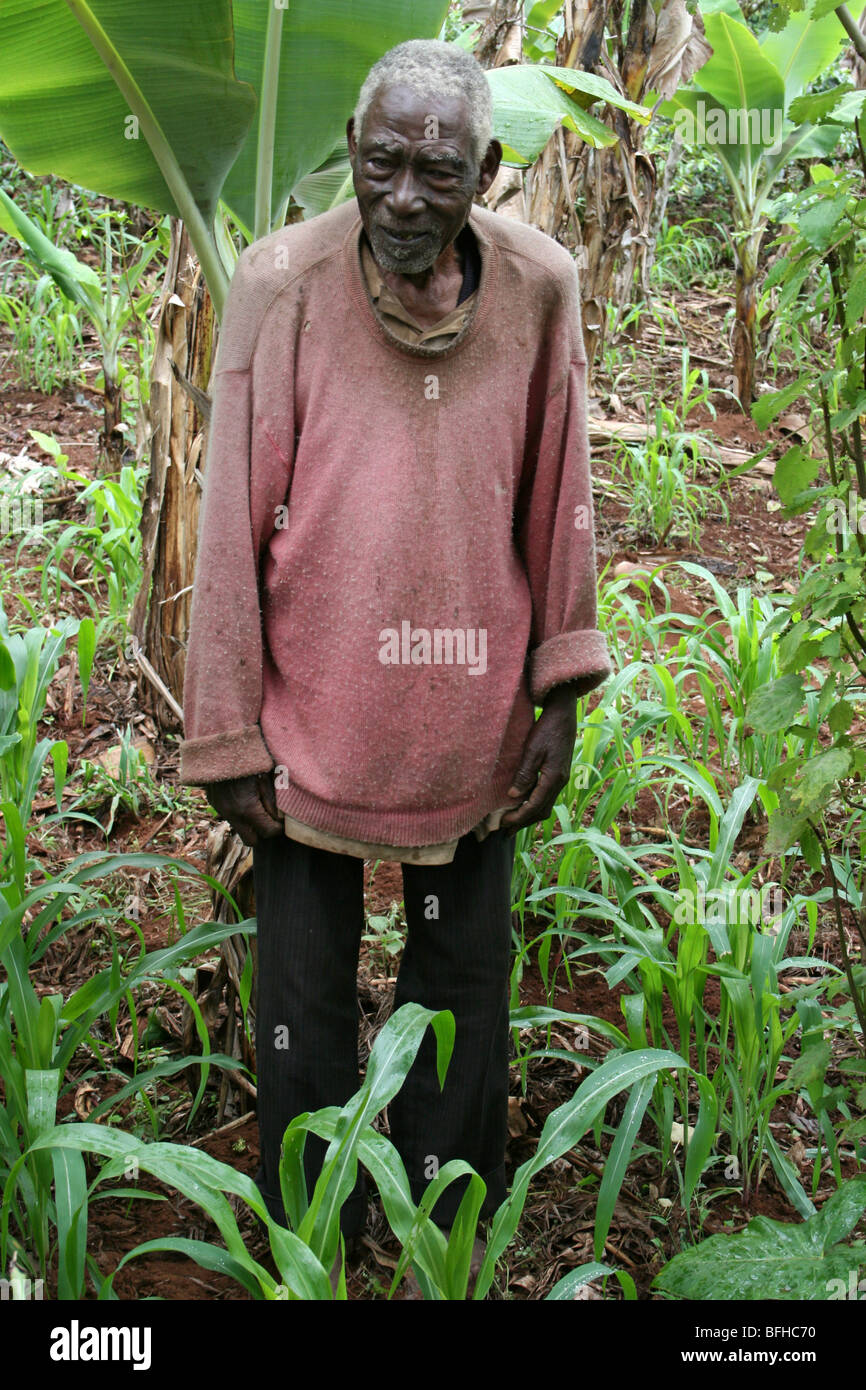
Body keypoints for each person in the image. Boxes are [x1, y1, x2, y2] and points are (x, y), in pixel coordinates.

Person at [179, 38, 611, 1277]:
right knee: (302, 1003)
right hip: (311, 710)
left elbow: (558, 492)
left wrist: (558, 693)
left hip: (472, 721)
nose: (405, 200)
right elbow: (225, 517)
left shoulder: (539, 288)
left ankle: (438, 1219)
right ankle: (312, 1230)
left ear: (487, 168)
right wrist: (226, 728)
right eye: (380, 166)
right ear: (352, 158)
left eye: (437, 171)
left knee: (460, 982)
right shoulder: (282, 283)